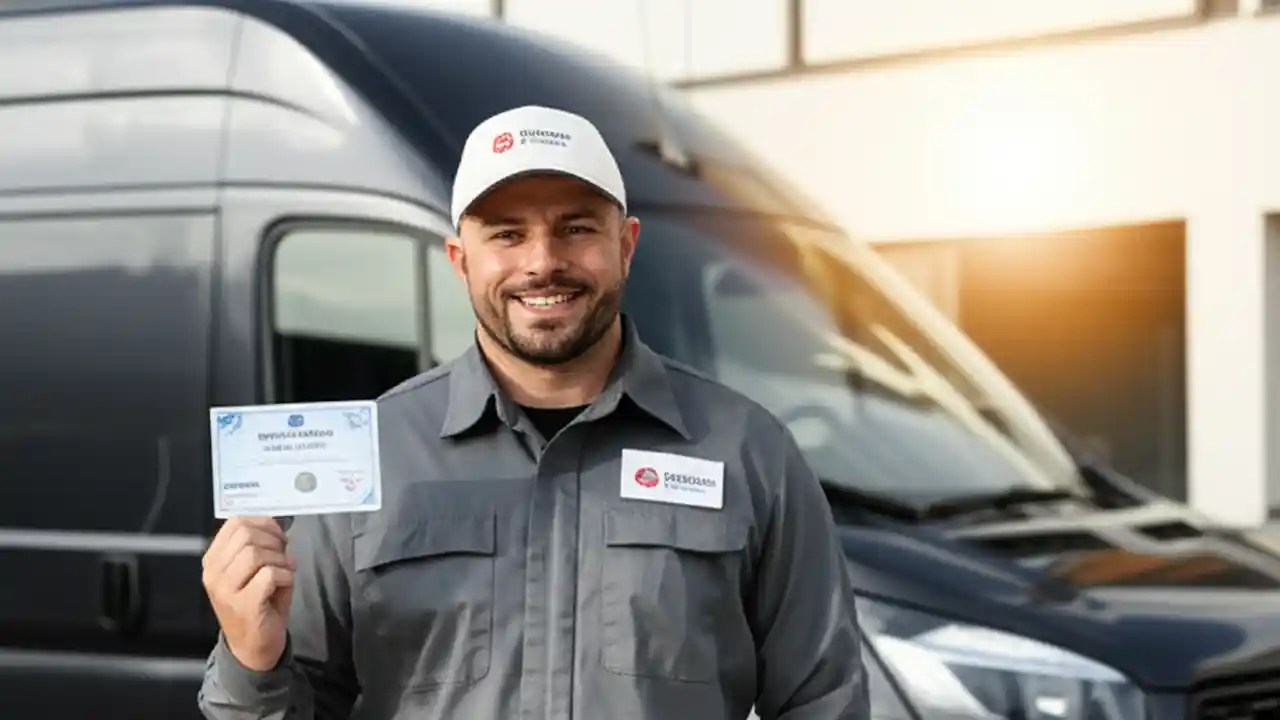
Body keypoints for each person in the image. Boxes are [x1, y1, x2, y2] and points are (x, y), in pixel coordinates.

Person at [197, 104, 869, 720]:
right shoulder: (365, 460)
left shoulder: (748, 453)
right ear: (461, 261)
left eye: (575, 229)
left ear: (626, 245)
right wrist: (254, 658)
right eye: (507, 234)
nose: (543, 262)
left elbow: (824, 702)